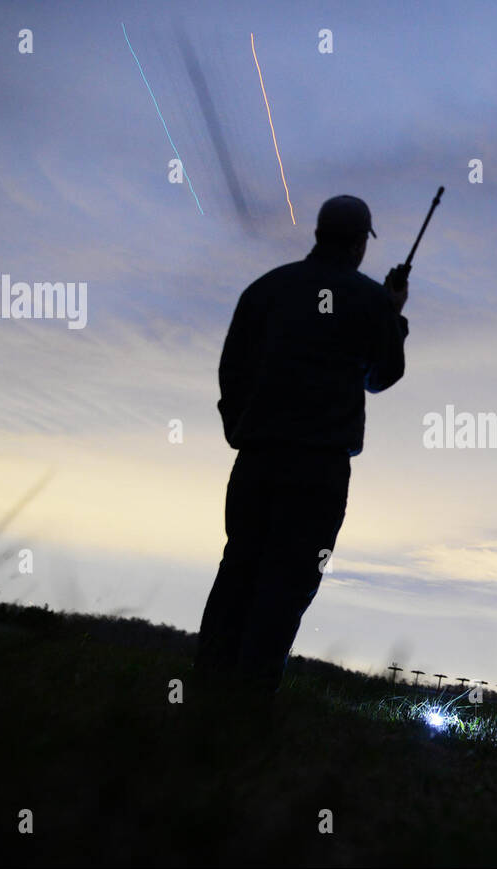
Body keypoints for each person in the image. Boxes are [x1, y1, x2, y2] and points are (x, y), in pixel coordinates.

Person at [196, 195, 409, 691]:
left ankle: (206, 691)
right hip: (319, 469)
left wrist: (240, 429)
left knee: (239, 568)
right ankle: (249, 705)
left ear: (318, 233)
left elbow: (232, 369)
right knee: (288, 584)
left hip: (258, 459)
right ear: (360, 243)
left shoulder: (265, 289)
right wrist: (392, 314)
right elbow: (383, 374)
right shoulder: (370, 301)